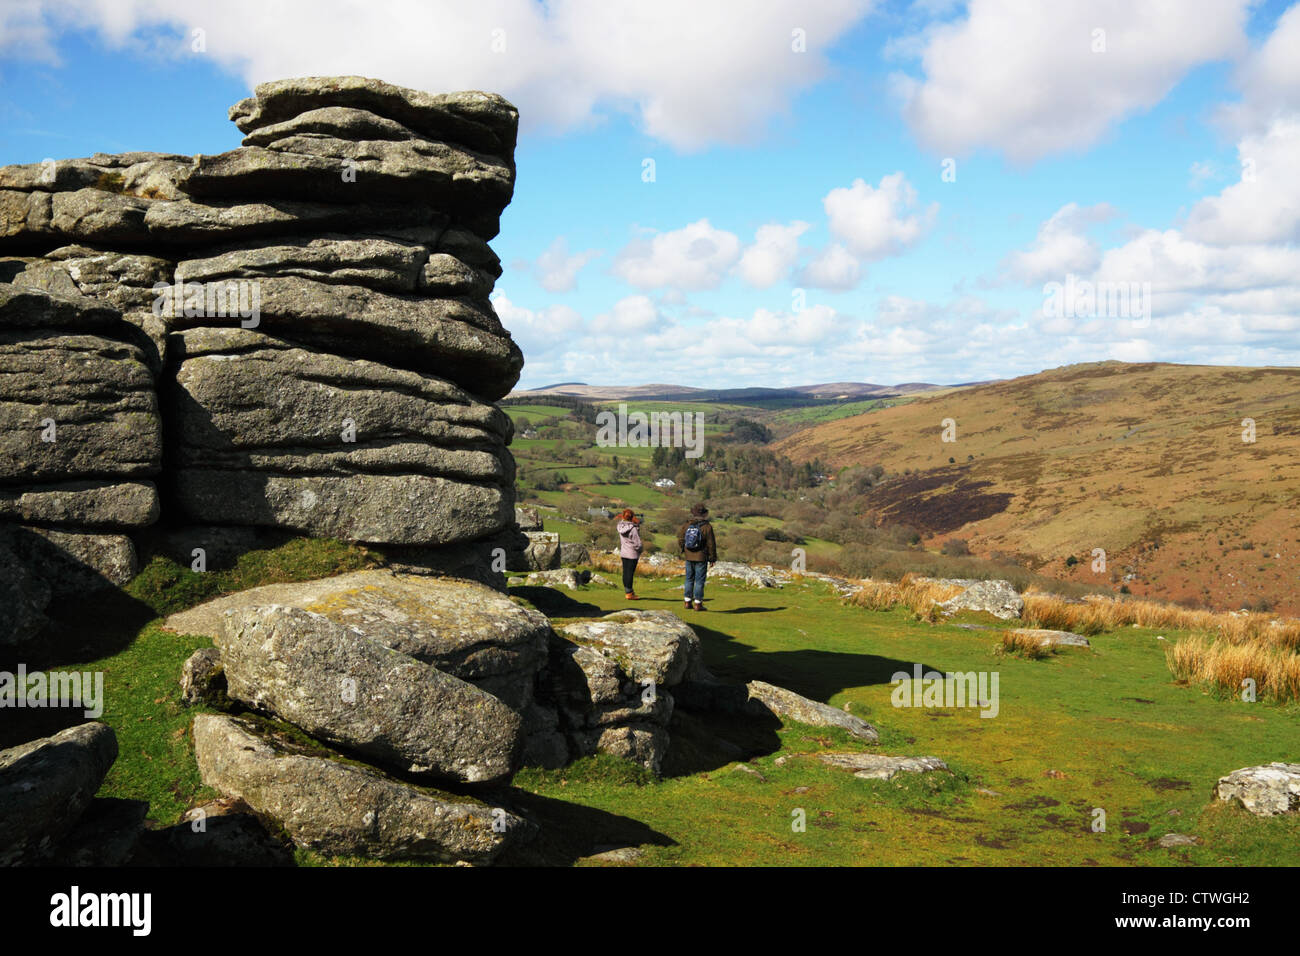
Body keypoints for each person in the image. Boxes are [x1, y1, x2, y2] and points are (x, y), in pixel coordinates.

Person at [677, 503, 717, 611]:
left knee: (689, 579)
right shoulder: (707, 527)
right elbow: (711, 544)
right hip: (701, 557)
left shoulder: (687, 525)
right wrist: (712, 558)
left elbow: (680, 539)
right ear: (704, 514)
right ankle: (698, 604)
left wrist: (684, 550)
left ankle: (687, 602)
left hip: (689, 556)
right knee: (699, 581)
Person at [616, 508, 643, 600]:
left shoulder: (620, 526)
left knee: (625, 572)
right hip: (632, 554)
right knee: (630, 573)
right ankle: (630, 594)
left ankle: (628, 591)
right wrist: (640, 549)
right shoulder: (633, 529)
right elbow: (637, 543)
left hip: (624, 552)